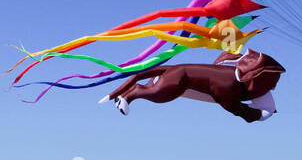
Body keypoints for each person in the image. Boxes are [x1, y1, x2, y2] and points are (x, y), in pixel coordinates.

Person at [106, 50, 285, 122]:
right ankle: (131, 94)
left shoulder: (253, 87)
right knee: (162, 95)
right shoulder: (230, 85)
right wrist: (251, 114)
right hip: (183, 78)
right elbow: (231, 105)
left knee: (161, 92)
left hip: (245, 93)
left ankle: (131, 94)